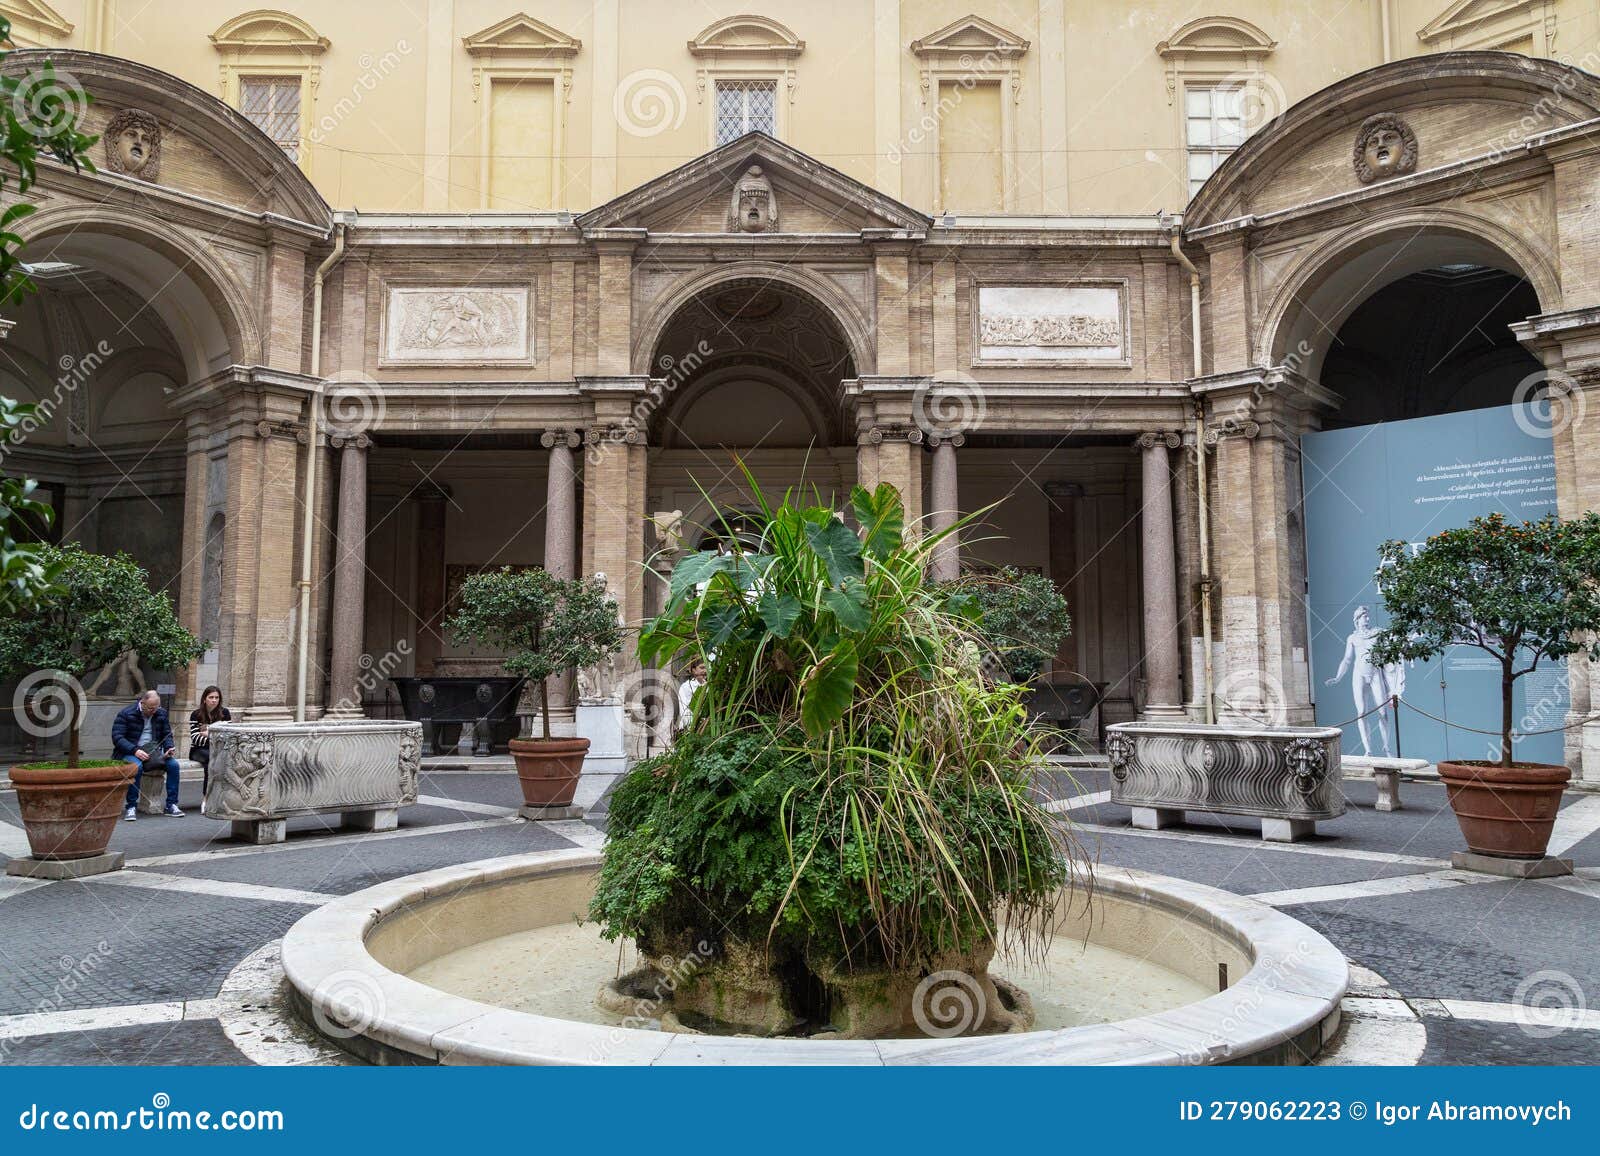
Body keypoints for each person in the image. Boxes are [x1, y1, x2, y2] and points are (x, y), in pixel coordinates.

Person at [115, 689, 182, 819]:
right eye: (151, 708)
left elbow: (167, 734)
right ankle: (131, 806)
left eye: (156, 707)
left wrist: (169, 748)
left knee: (174, 765)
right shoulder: (126, 713)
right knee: (136, 767)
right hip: (131, 751)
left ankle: (171, 804)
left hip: (154, 752)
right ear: (142, 703)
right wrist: (135, 750)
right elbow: (117, 737)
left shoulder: (160, 713)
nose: (154, 711)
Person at [189, 685, 230, 797]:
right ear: (204, 699)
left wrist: (209, 735)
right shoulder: (196, 714)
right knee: (211, 760)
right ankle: (206, 797)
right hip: (199, 750)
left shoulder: (225, 713)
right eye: (211, 697)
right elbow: (196, 739)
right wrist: (216, 737)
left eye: (217, 698)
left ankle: (224, 796)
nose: (214, 700)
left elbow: (228, 736)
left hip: (219, 750)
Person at [676, 658, 707, 734]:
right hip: (689, 729)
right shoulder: (685, 687)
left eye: (707, 668)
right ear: (694, 670)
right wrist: (694, 723)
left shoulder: (709, 686)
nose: (705, 671)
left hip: (706, 726)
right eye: (702, 668)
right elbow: (683, 710)